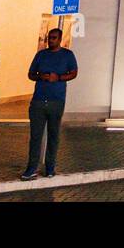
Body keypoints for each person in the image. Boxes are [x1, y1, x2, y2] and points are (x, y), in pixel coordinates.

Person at [20, 27, 78, 181]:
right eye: (49, 38)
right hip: (38, 100)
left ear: (59, 39)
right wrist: (41, 76)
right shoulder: (41, 55)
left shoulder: (67, 55)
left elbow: (73, 73)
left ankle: (50, 166)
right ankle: (32, 167)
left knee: (54, 134)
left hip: (56, 101)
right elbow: (31, 74)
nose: (50, 40)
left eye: (53, 38)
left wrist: (58, 78)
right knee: (35, 136)